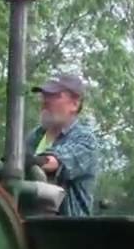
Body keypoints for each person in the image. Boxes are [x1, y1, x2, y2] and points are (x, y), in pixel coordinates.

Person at [26, 72, 98, 217]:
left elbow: (55, 163)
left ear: (75, 104)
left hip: (66, 233)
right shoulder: (34, 137)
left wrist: (30, 161)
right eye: (45, 94)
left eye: (55, 95)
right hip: (27, 224)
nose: (46, 100)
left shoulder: (85, 140)